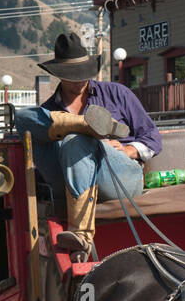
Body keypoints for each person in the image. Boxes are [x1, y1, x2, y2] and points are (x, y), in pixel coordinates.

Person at [15, 32, 162, 256]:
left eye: (83, 74)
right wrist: (85, 127)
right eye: (72, 75)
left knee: (74, 139)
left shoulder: (117, 94)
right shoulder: (48, 109)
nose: (80, 80)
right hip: (67, 179)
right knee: (23, 118)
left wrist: (129, 150)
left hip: (117, 175)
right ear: (58, 74)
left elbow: (153, 137)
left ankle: (81, 234)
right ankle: (85, 125)